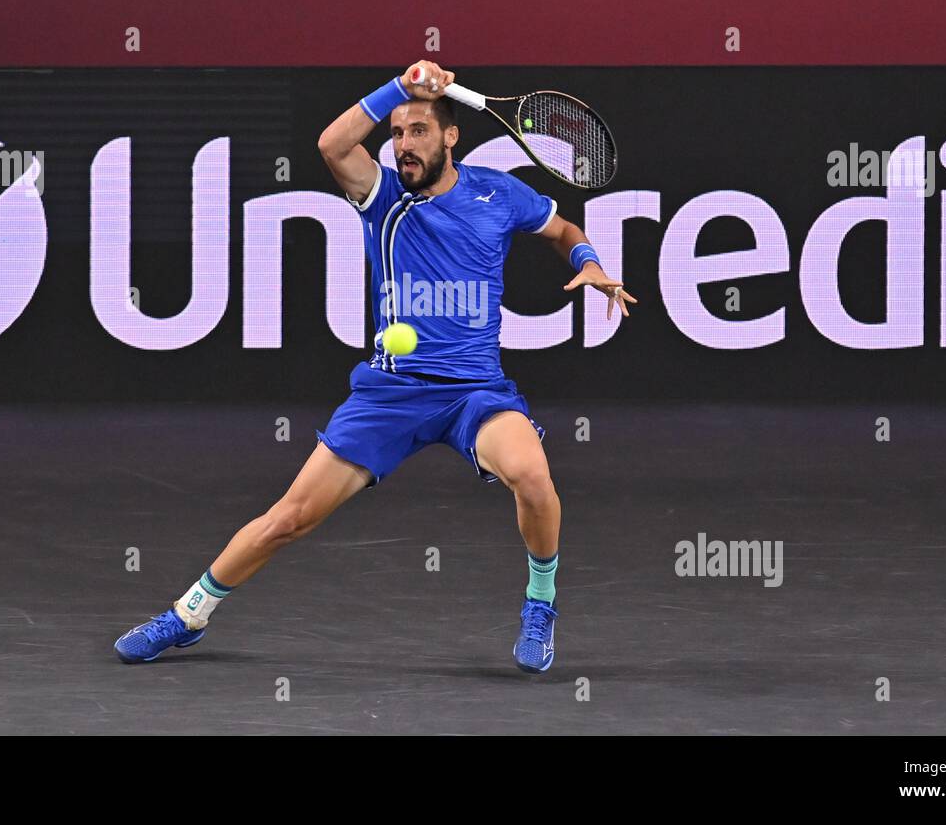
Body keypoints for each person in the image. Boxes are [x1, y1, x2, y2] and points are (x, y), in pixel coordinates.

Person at [114, 60, 636, 672]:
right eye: (395, 133)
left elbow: (562, 227)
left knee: (534, 477)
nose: (402, 145)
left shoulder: (500, 193)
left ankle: (540, 605)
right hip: (390, 393)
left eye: (417, 131)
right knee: (289, 518)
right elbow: (332, 143)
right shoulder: (381, 196)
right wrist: (401, 87)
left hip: (476, 392)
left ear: (450, 137)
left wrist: (591, 260)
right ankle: (187, 615)